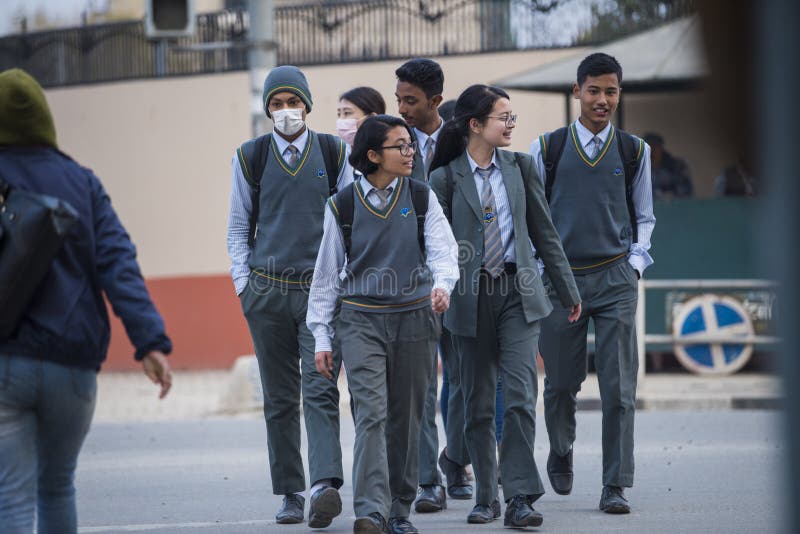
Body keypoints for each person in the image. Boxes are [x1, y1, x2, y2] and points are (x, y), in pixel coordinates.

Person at [0, 68, 173, 533]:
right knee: (57, 487)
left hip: (5, 360)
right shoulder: (82, 182)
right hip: (72, 362)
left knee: (10, 497)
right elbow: (118, 264)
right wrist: (150, 342)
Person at [429, 84, 581, 528]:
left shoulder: (522, 167)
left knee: (518, 396)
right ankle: (485, 496)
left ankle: (518, 497)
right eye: (503, 117)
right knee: (475, 405)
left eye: (513, 117)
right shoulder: (443, 179)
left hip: (518, 293)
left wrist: (567, 289)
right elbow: (434, 246)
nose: (511, 125)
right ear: (476, 125)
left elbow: (545, 233)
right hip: (467, 301)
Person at [307, 114, 459, 534]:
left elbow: (446, 253)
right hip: (360, 322)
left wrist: (443, 284)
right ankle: (371, 511)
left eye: (411, 145)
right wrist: (322, 335)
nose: (411, 153)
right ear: (373, 155)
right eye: (401, 146)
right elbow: (325, 276)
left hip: (415, 319)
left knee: (407, 419)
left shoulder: (423, 198)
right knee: (371, 414)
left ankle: (399, 510)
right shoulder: (342, 205)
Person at [226, 65, 354, 528]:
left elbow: (349, 221)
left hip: (320, 294)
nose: (285, 112)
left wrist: (340, 281)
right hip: (267, 293)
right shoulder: (250, 157)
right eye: (276, 104)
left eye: (292, 102)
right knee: (279, 398)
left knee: (320, 391)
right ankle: (290, 493)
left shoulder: (333, 152)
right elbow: (239, 227)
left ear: (307, 105)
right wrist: (245, 287)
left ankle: (323, 486)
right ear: (267, 110)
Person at [530, 52, 656, 514]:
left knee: (620, 387)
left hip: (617, 276)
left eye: (612, 91)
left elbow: (644, 215)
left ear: (619, 93)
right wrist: (543, 271)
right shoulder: (546, 148)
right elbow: (532, 217)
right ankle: (560, 449)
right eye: (594, 90)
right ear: (577, 91)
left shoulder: (633, 150)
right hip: (561, 282)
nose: (603, 100)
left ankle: (615, 483)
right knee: (561, 383)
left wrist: (636, 265)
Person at [394, 57, 464, 511]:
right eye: (398, 98)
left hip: (462, 275)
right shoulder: (393, 141)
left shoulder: (464, 139)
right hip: (407, 280)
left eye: (411, 101)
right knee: (421, 385)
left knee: (461, 377)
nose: (401, 108)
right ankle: (428, 481)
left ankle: (456, 462)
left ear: (436, 101)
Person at [643, 132, 693, 199]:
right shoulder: (638, 170)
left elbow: (686, 194)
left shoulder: (677, 166)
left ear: (661, 148)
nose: (651, 152)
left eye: (654, 147)